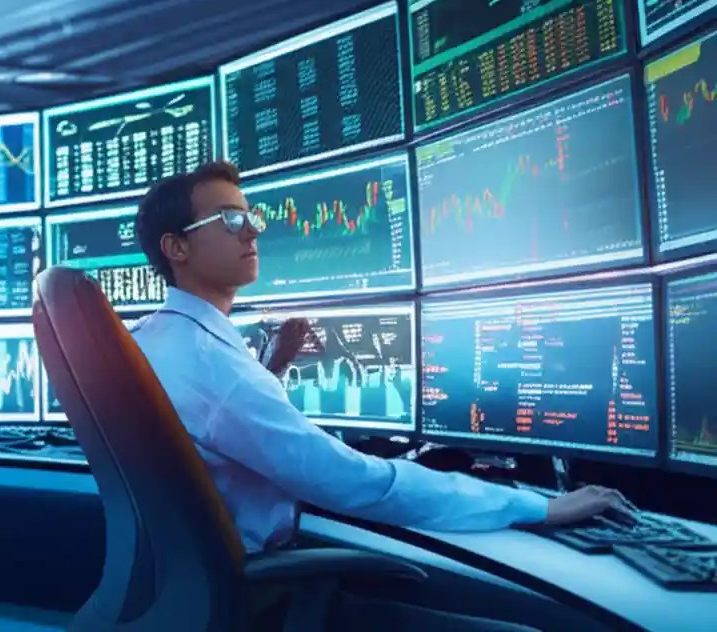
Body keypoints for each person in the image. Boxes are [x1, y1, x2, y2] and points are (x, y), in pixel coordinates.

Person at [130, 162, 630, 631]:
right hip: (257, 597)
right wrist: (535, 507)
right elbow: (353, 482)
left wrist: (273, 369)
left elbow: (223, 428)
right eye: (231, 218)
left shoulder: (153, 339)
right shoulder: (214, 364)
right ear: (176, 247)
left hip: (189, 589)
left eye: (251, 215)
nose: (253, 229)